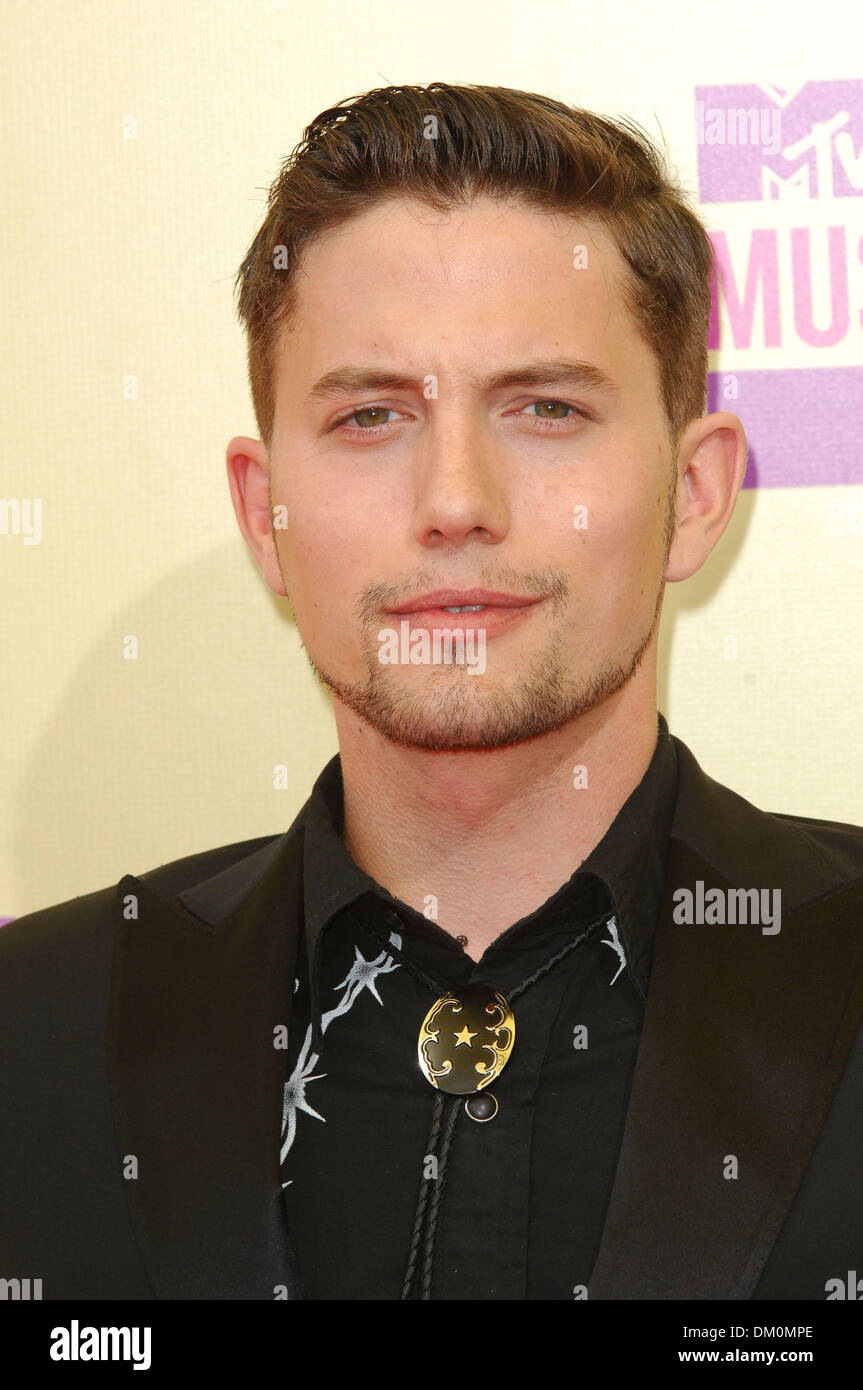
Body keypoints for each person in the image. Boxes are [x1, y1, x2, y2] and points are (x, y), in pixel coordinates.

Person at [2, 83, 862, 1303]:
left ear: (696, 492)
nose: (454, 499)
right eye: (370, 415)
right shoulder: (31, 1031)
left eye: (546, 408)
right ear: (266, 516)